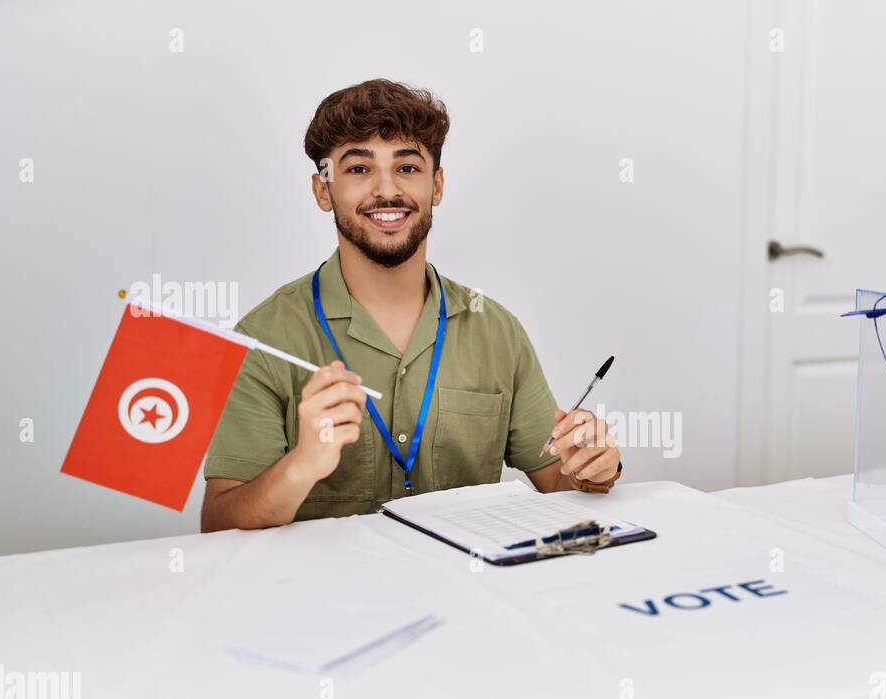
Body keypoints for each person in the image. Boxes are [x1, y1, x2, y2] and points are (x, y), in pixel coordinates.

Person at [201, 79, 621, 532]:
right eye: (359, 169)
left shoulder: (497, 330)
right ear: (324, 191)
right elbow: (220, 524)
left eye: (407, 168)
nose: (387, 190)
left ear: (436, 185)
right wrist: (303, 464)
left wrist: (593, 468)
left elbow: (558, 481)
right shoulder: (263, 338)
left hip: (468, 591)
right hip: (318, 598)